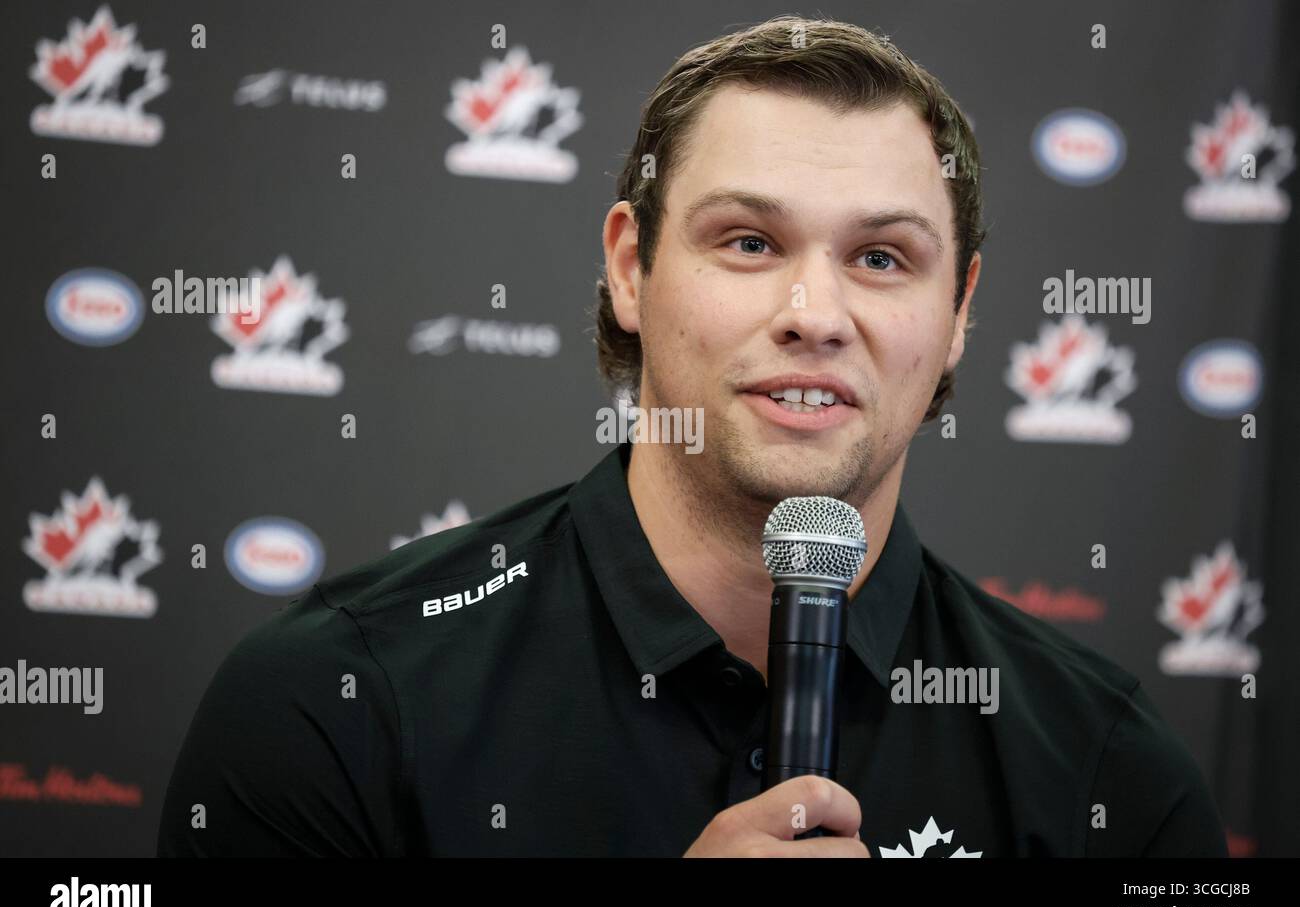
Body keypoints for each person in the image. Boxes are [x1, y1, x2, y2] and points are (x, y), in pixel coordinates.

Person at [158, 15, 1227, 857]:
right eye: (750, 240)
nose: (815, 311)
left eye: (883, 258)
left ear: (958, 315)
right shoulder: (336, 704)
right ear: (630, 266)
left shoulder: (1107, 775)